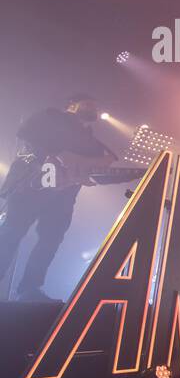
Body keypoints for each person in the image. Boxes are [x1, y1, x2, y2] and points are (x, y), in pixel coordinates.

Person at [0, 94, 113, 301]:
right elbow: (25, 132)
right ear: (71, 105)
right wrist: (59, 153)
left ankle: (29, 289)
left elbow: (92, 170)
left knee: (50, 240)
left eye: (96, 106)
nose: (93, 109)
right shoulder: (51, 117)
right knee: (11, 234)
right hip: (31, 185)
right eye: (88, 104)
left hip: (63, 196)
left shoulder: (92, 141)